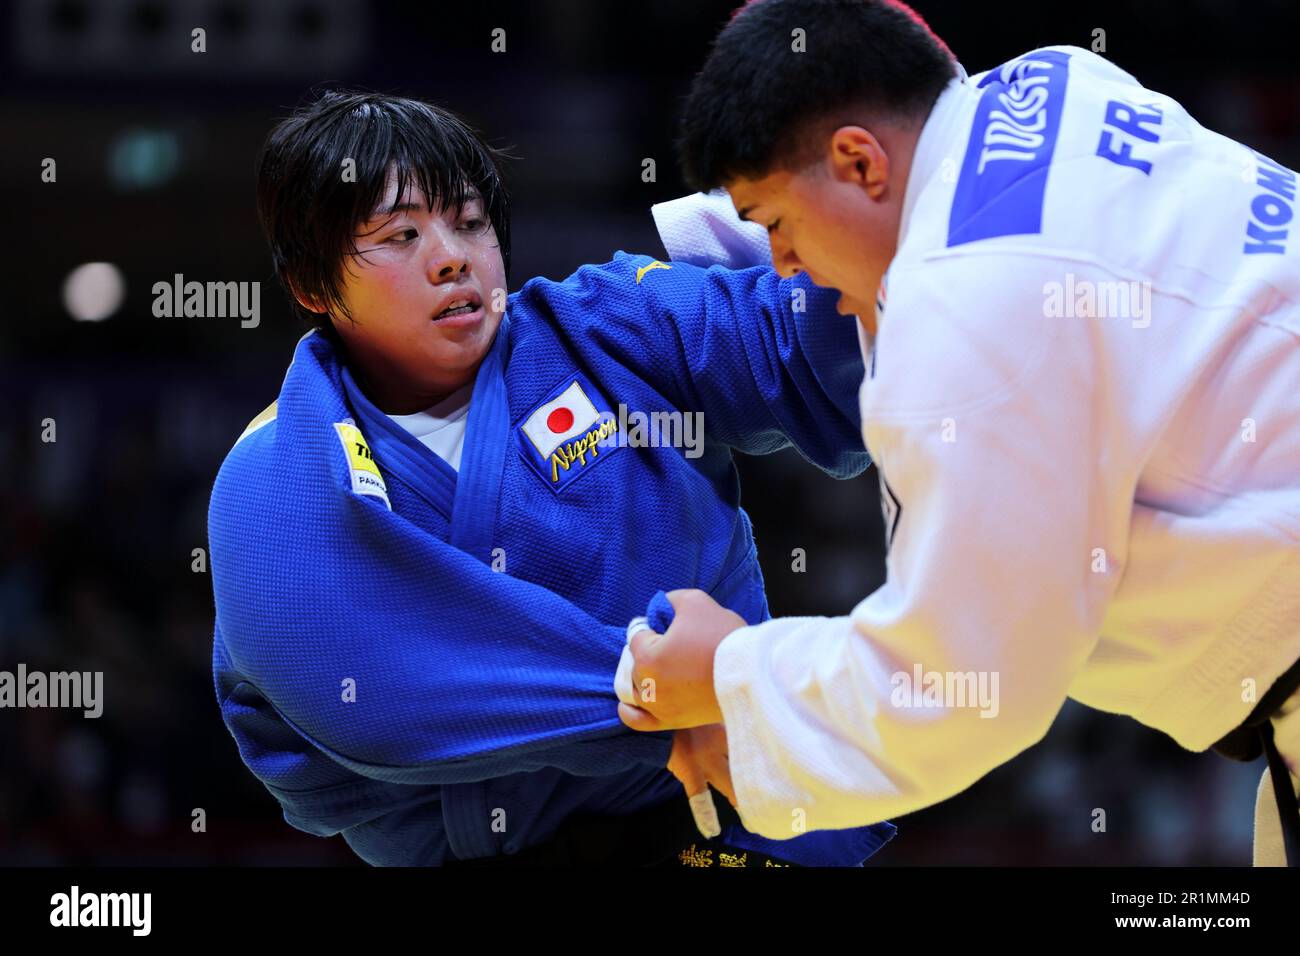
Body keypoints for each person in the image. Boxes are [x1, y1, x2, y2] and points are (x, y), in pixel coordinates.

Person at [618, 0, 1300, 865]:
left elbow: (957, 690)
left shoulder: (964, 319)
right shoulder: (1052, 82)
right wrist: (750, 229)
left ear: (859, 159)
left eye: (777, 228)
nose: (787, 272)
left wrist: (728, 677)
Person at [208, 89, 897, 866]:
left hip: (711, 823)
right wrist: (671, 692)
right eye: (400, 234)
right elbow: (368, 687)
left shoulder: (609, 329)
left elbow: (811, 346)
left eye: (469, 222)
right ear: (311, 285)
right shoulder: (276, 471)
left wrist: (851, 234)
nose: (452, 255)